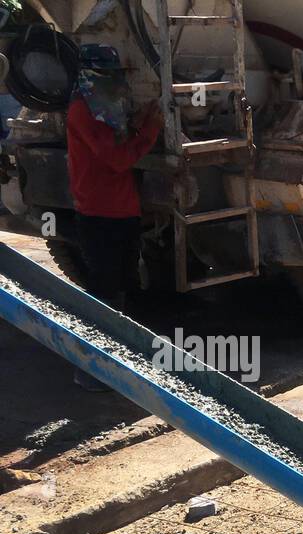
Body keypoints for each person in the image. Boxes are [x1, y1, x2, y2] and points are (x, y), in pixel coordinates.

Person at [65, 44, 161, 387]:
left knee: (126, 286)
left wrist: (138, 125)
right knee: (104, 291)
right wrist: (150, 131)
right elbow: (117, 160)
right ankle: (90, 369)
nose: (115, 84)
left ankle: (120, 363)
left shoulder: (101, 108)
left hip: (121, 213)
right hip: (98, 215)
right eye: (108, 76)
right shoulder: (82, 110)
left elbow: (117, 146)